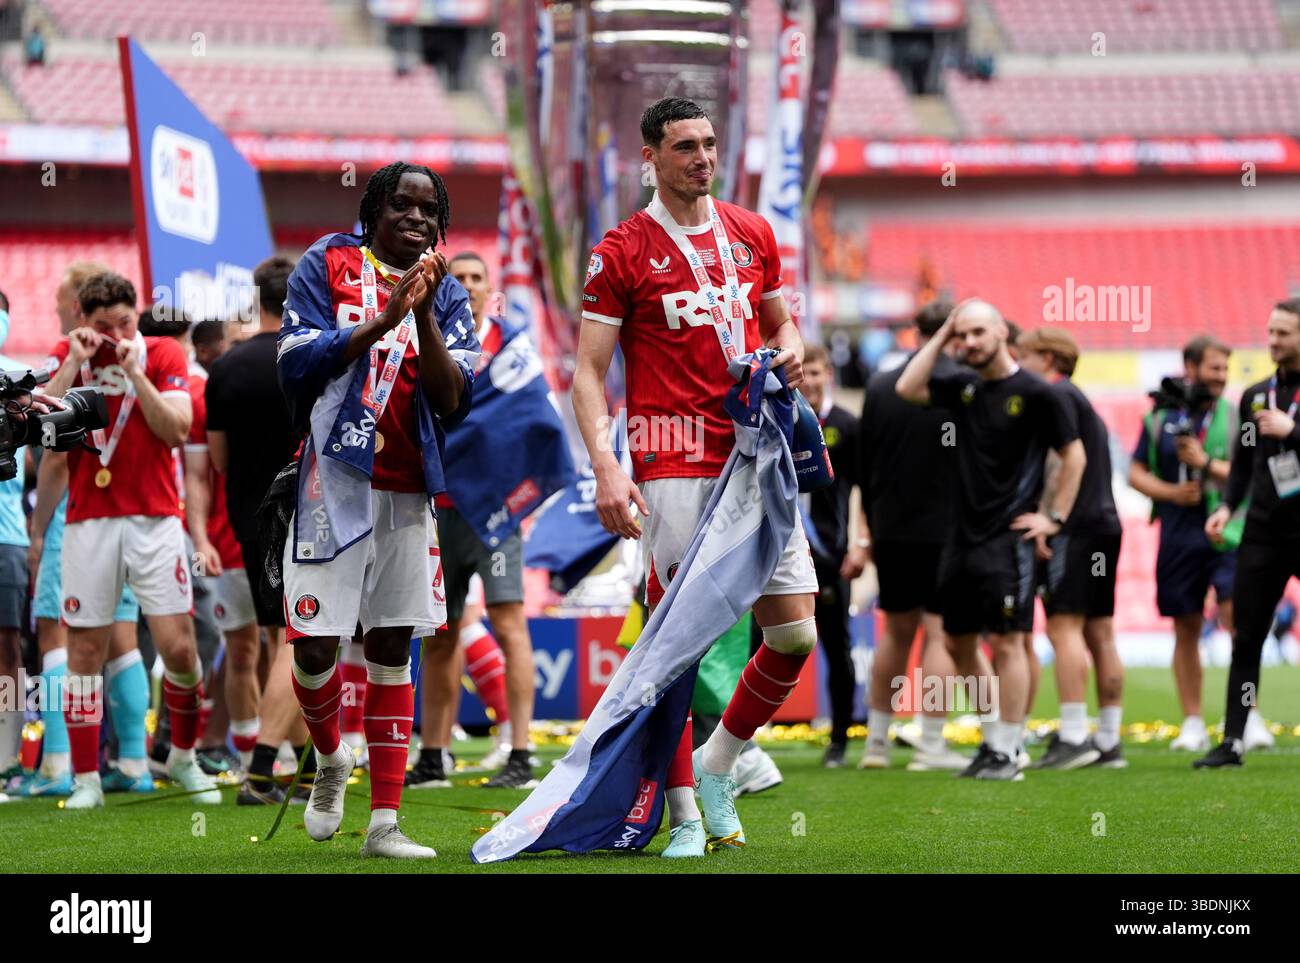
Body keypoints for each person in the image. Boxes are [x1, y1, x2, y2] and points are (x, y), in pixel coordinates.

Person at [575, 97, 818, 857]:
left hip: (757, 452)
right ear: (650, 155)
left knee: (794, 632)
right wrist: (607, 466)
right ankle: (682, 814)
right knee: (677, 647)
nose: (703, 158)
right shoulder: (620, 250)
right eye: (685, 147)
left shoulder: (752, 233)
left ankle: (720, 764)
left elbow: (780, 322)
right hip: (672, 461)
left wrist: (793, 347)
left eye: (710, 144)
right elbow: (586, 373)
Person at [276, 161, 479, 858]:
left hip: (407, 488)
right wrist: (377, 322)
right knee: (312, 645)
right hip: (331, 484)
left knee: (393, 644)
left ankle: (386, 823)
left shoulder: (446, 291)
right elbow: (294, 360)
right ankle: (332, 756)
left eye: (430, 210)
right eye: (402, 204)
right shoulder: (326, 262)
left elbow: (455, 398)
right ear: (373, 209)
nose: (417, 219)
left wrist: (419, 314)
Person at [42, 272, 218, 809]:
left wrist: (135, 375)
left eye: (125, 321)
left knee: (179, 647)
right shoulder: (66, 353)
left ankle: (183, 757)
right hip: (89, 521)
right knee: (85, 652)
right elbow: (41, 432)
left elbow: (177, 429)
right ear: (80, 318)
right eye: (104, 325)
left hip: (156, 519)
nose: (117, 333)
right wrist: (74, 364)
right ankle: (88, 779)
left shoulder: (161, 352)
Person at [896, 299, 1085, 781]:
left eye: (979, 332)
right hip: (959, 539)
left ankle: (1008, 749)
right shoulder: (962, 386)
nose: (971, 343)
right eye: (964, 336)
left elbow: (1074, 455)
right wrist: (941, 336)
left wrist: (1053, 518)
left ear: (1002, 330)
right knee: (958, 642)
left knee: (1007, 641)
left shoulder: (1040, 393)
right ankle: (994, 740)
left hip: (1009, 539)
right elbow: (907, 386)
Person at [408, 251, 539, 790]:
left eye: (475, 278)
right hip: (440, 509)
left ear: (490, 289)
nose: (466, 285)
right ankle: (434, 756)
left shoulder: (513, 349)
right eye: (457, 278)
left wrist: (519, 494)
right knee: (440, 634)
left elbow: (536, 422)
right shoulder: (426, 341)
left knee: (509, 624)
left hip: (496, 514)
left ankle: (521, 752)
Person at [25, 262, 149, 798]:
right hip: (127, 517)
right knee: (122, 641)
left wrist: (36, 530)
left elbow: (50, 449)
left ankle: (56, 763)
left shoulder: (74, 358)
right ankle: (136, 764)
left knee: (59, 633)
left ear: (77, 309)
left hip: (76, 519)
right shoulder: (137, 354)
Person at [858, 300, 992, 772]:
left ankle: (876, 744)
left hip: (892, 526)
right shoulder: (966, 385)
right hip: (947, 529)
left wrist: (870, 529)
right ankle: (931, 744)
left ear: (917, 331)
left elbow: (865, 466)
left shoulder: (879, 387)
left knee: (895, 632)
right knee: (940, 633)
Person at [206, 256, 312, 803]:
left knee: (280, 636)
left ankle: (306, 773)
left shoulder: (226, 367)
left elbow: (219, 460)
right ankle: (262, 768)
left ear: (258, 299)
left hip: (249, 519)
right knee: (304, 638)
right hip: (308, 514)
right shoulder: (311, 357)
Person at [1127, 336, 1264, 750]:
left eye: (1225, 369)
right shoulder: (1158, 419)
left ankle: (1247, 715)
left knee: (1237, 619)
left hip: (1230, 531)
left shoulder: (1241, 415)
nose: (1221, 377)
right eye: (1214, 368)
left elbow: (1252, 475)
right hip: (1177, 535)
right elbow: (1135, 472)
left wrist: (1206, 465)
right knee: (1184, 625)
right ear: (1190, 367)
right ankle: (1191, 722)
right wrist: (1169, 493)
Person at [1197, 298, 1300, 767]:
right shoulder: (1255, 395)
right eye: (1271, 331)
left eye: (1284, 333)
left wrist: (1293, 431)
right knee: (1246, 636)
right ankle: (1233, 740)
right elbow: (1242, 465)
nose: (1273, 340)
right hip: (1262, 532)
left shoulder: (1283, 408)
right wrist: (1226, 508)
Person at [1018, 327, 1126, 769]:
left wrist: (1051, 518)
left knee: (1062, 627)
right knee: (1100, 632)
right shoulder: (1080, 399)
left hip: (1077, 527)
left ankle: (1075, 736)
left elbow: (1065, 460)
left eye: (1023, 355)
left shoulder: (1055, 396)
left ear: (1046, 359)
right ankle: (1108, 741)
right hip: (1103, 523)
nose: (1018, 363)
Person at [797, 343, 863, 767]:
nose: (810, 382)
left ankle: (839, 739)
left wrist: (859, 544)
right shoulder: (778, 422)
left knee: (836, 645)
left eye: (816, 373)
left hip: (831, 555)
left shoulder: (847, 426)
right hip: (780, 555)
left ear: (828, 376)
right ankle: (742, 744)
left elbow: (863, 490)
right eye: (802, 375)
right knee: (757, 643)